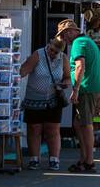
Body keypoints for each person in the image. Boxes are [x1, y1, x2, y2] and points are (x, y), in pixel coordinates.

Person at [20, 32, 70, 171]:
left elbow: (67, 77)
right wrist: (17, 74)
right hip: (34, 98)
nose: (52, 52)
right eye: (51, 49)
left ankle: (54, 159)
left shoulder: (63, 58)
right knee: (34, 128)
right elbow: (24, 69)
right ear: (48, 44)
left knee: (52, 129)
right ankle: (34, 159)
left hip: (53, 99)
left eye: (55, 51)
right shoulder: (38, 54)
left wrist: (64, 84)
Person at [61, 18, 100, 173]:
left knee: (86, 125)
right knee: (79, 123)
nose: (64, 39)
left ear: (70, 32)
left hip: (87, 89)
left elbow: (80, 66)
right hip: (95, 87)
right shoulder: (88, 41)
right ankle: (83, 158)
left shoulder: (78, 43)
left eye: (64, 35)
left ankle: (89, 162)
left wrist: (75, 90)